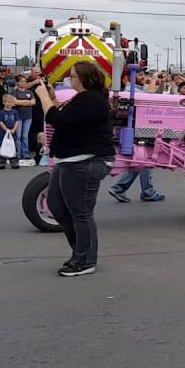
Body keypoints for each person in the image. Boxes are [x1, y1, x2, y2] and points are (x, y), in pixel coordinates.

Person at [35, 61, 115, 277]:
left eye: (73, 76)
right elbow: (67, 119)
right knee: (56, 205)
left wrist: (44, 98)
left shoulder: (92, 100)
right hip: (70, 160)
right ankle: (80, 252)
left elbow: (60, 122)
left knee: (81, 213)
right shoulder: (84, 99)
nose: (70, 79)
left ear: (85, 79)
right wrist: (52, 98)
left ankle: (85, 259)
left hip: (84, 161)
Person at [19, 68, 47, 162]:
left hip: (41, 109)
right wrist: (35, 82)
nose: (38, 75)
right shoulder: (28, 81)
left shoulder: (42, 80)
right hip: (30, 110)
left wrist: (47, 84)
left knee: (40, 130)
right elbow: (24, 87)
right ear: (31, 73)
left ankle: (40, 147)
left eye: (39, 73)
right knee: (29, 131)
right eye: (36, 73)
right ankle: (28, 148)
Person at [8, 77, 37, 162]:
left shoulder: (30, 92)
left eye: (25, 81)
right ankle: (18, 153)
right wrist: (27, 102)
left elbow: (33, 102)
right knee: (18, 135)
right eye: (22, 81)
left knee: (25, 136)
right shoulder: (14, 92)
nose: (24, 82)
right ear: (17, 83)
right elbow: (14, 102)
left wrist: (21, 102)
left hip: (28, 116)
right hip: (18, 117)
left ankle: (25, 153)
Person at [0, 94, 22, 170]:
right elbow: (0, 122)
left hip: (13, 133)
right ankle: (1, 162)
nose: (9, 104)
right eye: (8, 102)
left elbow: (17, 121)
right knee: (2, 146)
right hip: (3, 133)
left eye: (11, 102)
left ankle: (14, 162)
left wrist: (14, 129)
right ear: (4, 102)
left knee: (13, 147)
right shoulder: (1, 112)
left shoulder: (15, 112)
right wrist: (6, 129)